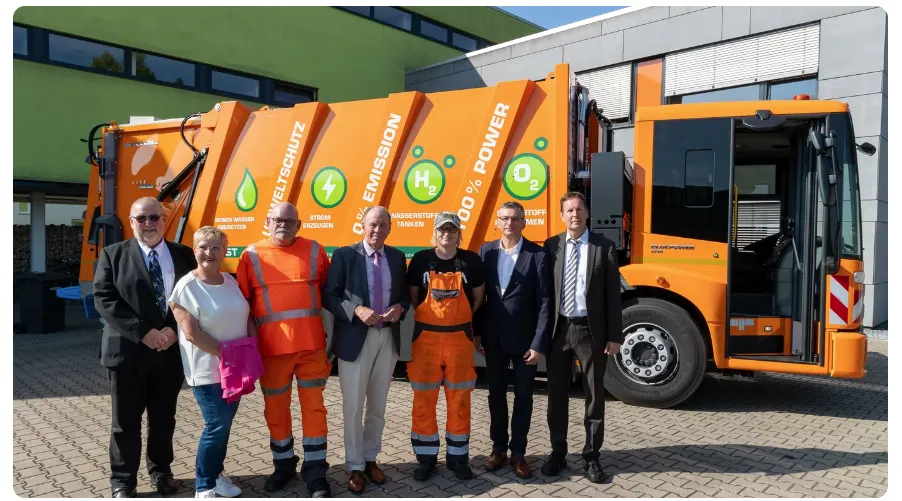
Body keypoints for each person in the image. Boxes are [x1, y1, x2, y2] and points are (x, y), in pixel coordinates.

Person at [93, 197, 197, 498]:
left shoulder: (183, 255)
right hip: (127, 353)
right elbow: (104, 298)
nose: (148, 224)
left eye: (154, 217)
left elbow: (193, 297)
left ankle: (161, 473)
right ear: (131, 220)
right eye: (141, 219)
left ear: (164, 220)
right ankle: (123, 481)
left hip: (169, 352)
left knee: (163, 419)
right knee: (125, 422)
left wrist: (175, 330)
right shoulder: (113, 254)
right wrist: (144, 333)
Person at [236, 202, 333, 498]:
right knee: (276, 411)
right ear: (267, 221)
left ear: (299, 225)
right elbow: (242, 303)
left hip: (311, 348)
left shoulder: (315, 250)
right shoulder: (251, 255)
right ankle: (283, 465)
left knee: (314, 410)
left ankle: (316, 472)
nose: (283, 225)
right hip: (272, 350)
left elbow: (330, 294)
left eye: (290, 221)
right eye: (278, 219)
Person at [324, 206, 410, 494]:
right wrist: (356, 309)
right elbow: (329, 296)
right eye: (372, 224)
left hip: (387, 339)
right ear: (362, 225)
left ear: (389, 228)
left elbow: (403, 297)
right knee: (353, 406)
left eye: (383, 225)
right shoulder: (345, 255)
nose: (377, 230)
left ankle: (371, 458)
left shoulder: (397, 258)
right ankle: (354, 465)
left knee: (378, 405)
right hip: (354, 339)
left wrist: (401, 307)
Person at [541, 192, 623, 483]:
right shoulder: (551, 247)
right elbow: (544, 295)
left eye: (579, 209)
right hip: (559, 331)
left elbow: (613, 296)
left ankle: (591, 457)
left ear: (587, 213)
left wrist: (615, 335)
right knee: (556, 396)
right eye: (568, 210)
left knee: (594, 395)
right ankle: (558, 453)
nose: (574, 214)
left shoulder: (604, 247)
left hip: (592, 333)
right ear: (562, 216)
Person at [168, 226, 254, 498]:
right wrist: (227, 354)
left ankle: (216, 476)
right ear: (194, 251)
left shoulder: (230, 282)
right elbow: (191, 334)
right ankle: (204, 485)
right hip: (206, 370)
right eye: (203, 247)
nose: (209, 252)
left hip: (235, 368)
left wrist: (250, 348)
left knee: (224, 426)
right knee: (216, 425)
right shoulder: (186, 287)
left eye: (216, 247)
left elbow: (246, 315)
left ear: (224, 252)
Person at [405, 211, 486, 481]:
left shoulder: (471, 261)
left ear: (459, 233)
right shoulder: (420, 261)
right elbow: (415, 297)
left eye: (452, 230)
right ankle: (426, 458)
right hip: (426, 338)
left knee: (460, 399)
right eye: (442, 229)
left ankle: (458, 458)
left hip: (459, 339)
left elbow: (478, 298)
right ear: (435, 231)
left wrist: (457, 321)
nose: (447, 234)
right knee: (424, 399)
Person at [475, 201, 551, 479]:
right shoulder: (486, 251)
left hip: (525, 344)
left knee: (524, 397)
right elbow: (480, 297)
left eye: (516, 218)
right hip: (493, 339)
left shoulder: (538, 255)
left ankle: (518, 453)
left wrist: (539, 343)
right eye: (505, 218)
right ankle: (498, 449)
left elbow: (545, 302)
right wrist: (478, 331)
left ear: (524, 222)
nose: (510, 223)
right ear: (497, 221)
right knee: (495, 395)